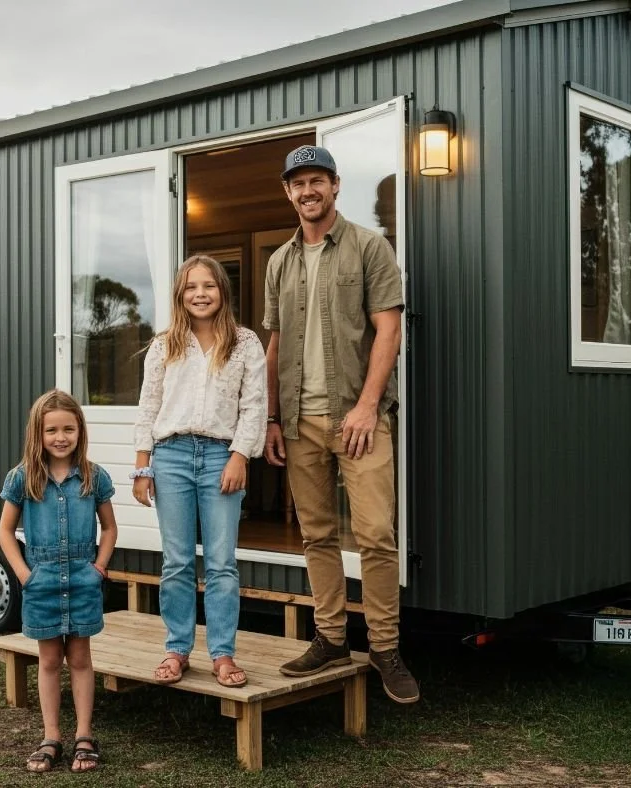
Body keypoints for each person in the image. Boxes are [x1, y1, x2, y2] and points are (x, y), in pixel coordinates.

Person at [263, 145, 419, 704]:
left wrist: (366, 406)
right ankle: (330, 637)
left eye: (316, 181)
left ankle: (384, 647)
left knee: (376, 535)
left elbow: (389, 331)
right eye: (297, 183)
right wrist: (273, 417)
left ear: (334, 185)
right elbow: (275, 344)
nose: (308, 192)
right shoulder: (279, 261)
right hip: (300, 420)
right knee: (317, 535)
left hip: (360, 418)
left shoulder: (369, 247)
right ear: (288, 192)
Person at [133, 255, 267, 689]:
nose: (200, 294)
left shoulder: (245, 343)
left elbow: (254, 407)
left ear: (222, 292)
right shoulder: (165, 344)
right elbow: (149, 405)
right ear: (180, 294)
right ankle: (176, 649)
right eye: (191, 287)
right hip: (170, 457)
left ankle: (223, 654)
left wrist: (240, 455)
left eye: (208, 285)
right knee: (175, 561)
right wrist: (142, 466)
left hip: (220, 457)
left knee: (222, 562)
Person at [0, 389, 118, 772]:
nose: (61, 437)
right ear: (38, 433)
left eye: (69, 428)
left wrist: (98, 566)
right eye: (52, 430)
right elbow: (5, 531)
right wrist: (24, 574)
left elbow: (110, 528)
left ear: (80, 431)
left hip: (83, 579)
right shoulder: (22, 478)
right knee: (49, 661)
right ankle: (52, 737)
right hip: (42, 581)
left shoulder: (94, 476)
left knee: (80, 658)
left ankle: (85, 735)